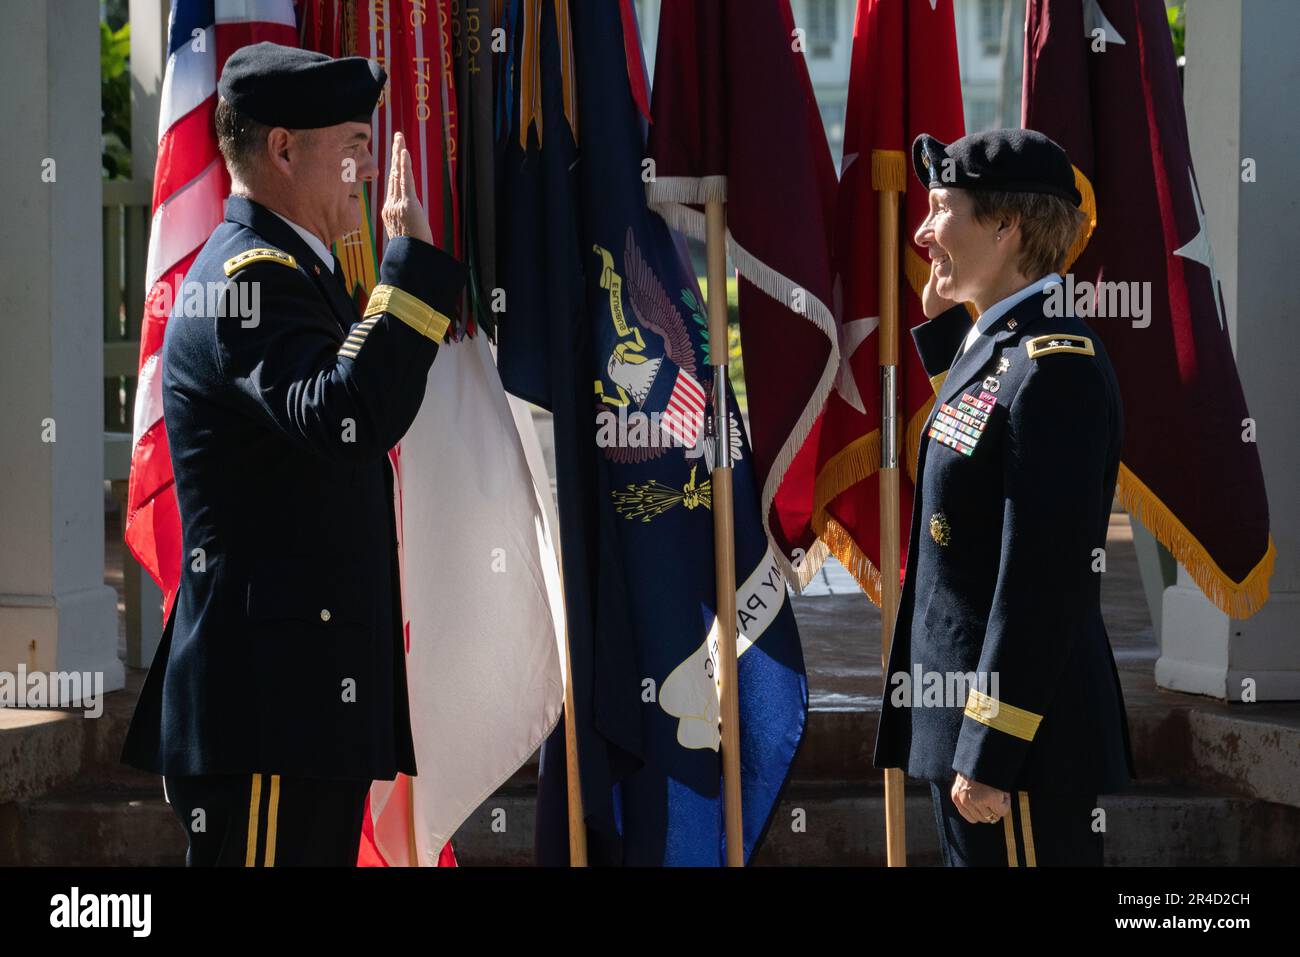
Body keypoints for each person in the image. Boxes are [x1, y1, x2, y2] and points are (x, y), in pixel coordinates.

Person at [120, 42, 466, 866]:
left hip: (298, 704)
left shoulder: (289, 271)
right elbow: (345, 411)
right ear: (282, 148)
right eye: (350, 143)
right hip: (272, 710)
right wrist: (410, 277)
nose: (364, 165)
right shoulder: (251, 277)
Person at [873, 129, 1135, 866]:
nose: (923, 231)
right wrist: (950, 330)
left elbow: (1041, 581)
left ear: (1005, 224)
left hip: (1018, 747)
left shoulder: (1055, 368)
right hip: (965, 723)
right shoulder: (1007, 347)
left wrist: (993, 745)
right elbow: (973, 440)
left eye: (940, 208)